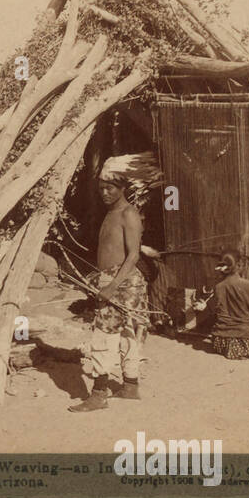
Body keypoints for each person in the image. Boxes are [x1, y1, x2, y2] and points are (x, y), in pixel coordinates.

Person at [70, 162, 149, 413]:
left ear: (122, 187)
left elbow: (133, 255)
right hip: (111, 279)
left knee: (103, 335)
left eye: (110, 188)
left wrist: (111, 286)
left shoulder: (128, 214)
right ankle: (130, 386)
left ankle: (99, 394)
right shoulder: (110, 213)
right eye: (102, 188)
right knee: (126, 333)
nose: (105, 193)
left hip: (122, 282)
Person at [202, 251, 249, 360]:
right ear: (238, 266)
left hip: (220, 343)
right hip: (246, 343)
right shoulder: (246, 284)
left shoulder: (218, 287)